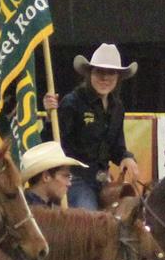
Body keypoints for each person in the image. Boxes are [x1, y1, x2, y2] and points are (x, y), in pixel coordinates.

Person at [43, 43, 141, 210]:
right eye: (99, 72)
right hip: (74, 180)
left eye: (111, 72)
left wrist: (126, 157)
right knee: (89, 218)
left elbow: (117, 147)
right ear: (90, 74)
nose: (105, 78)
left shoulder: (117, 107)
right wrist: (50, 118)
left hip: (103, 181)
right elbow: (52, 143)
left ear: (118, 77)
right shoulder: (72, 103)